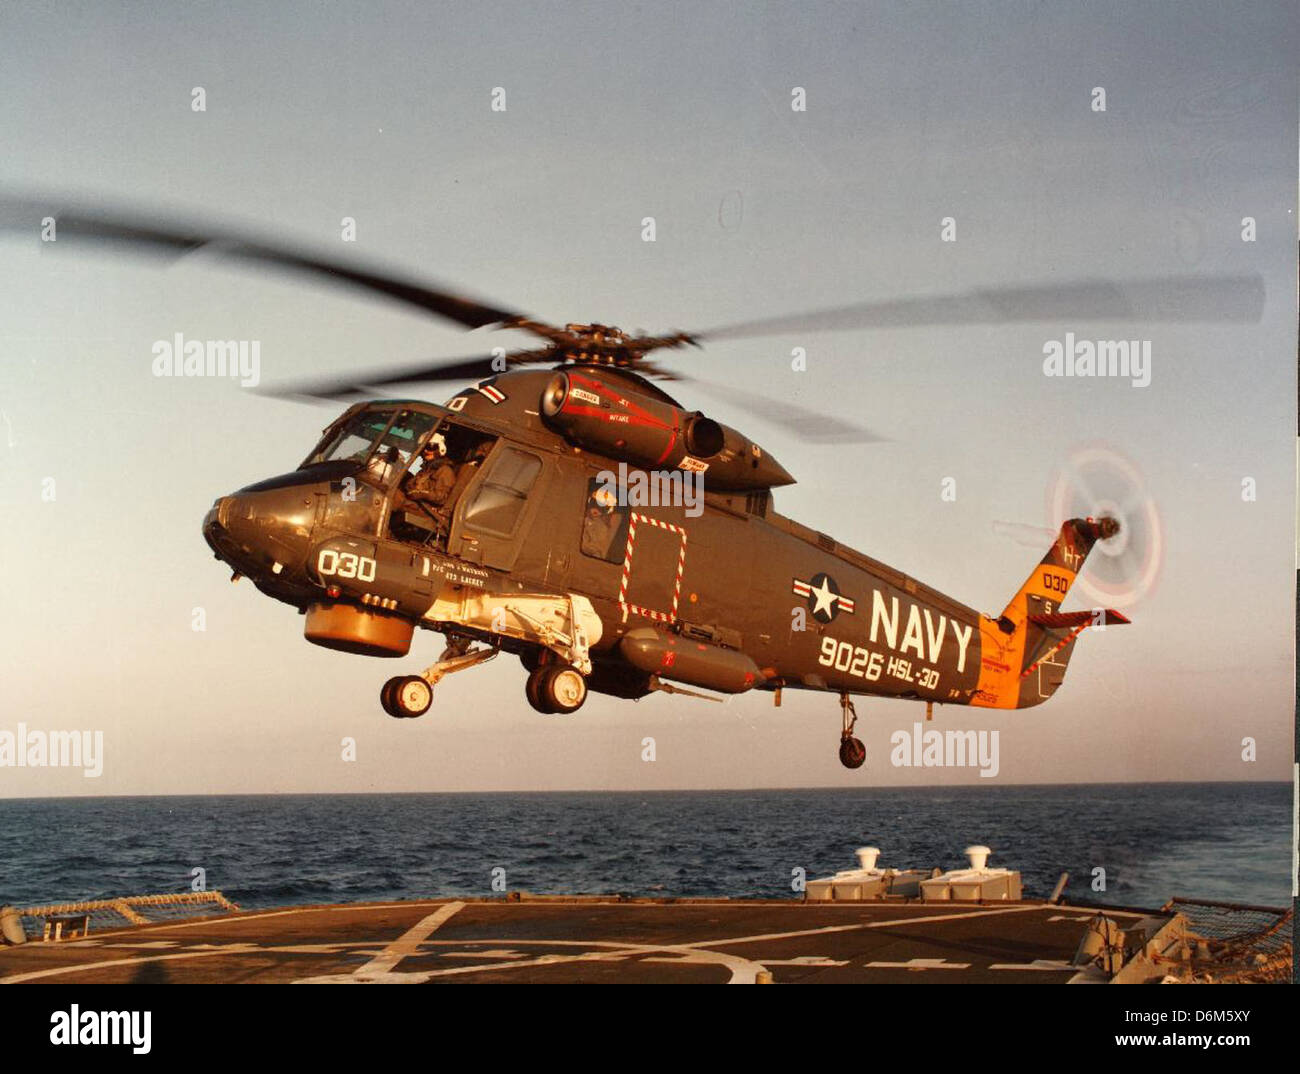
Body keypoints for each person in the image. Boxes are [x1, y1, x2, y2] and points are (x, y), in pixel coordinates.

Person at [400, 434, 458, 531]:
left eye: (430, 447)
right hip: (416, 503)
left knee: (395, 499)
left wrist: (422, 494)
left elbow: (441, 497)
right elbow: (412, 485)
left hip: (426, 510)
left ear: (441, 449)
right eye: (423, 447)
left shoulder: (445, 471)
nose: (426, 451)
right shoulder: (427, 469)